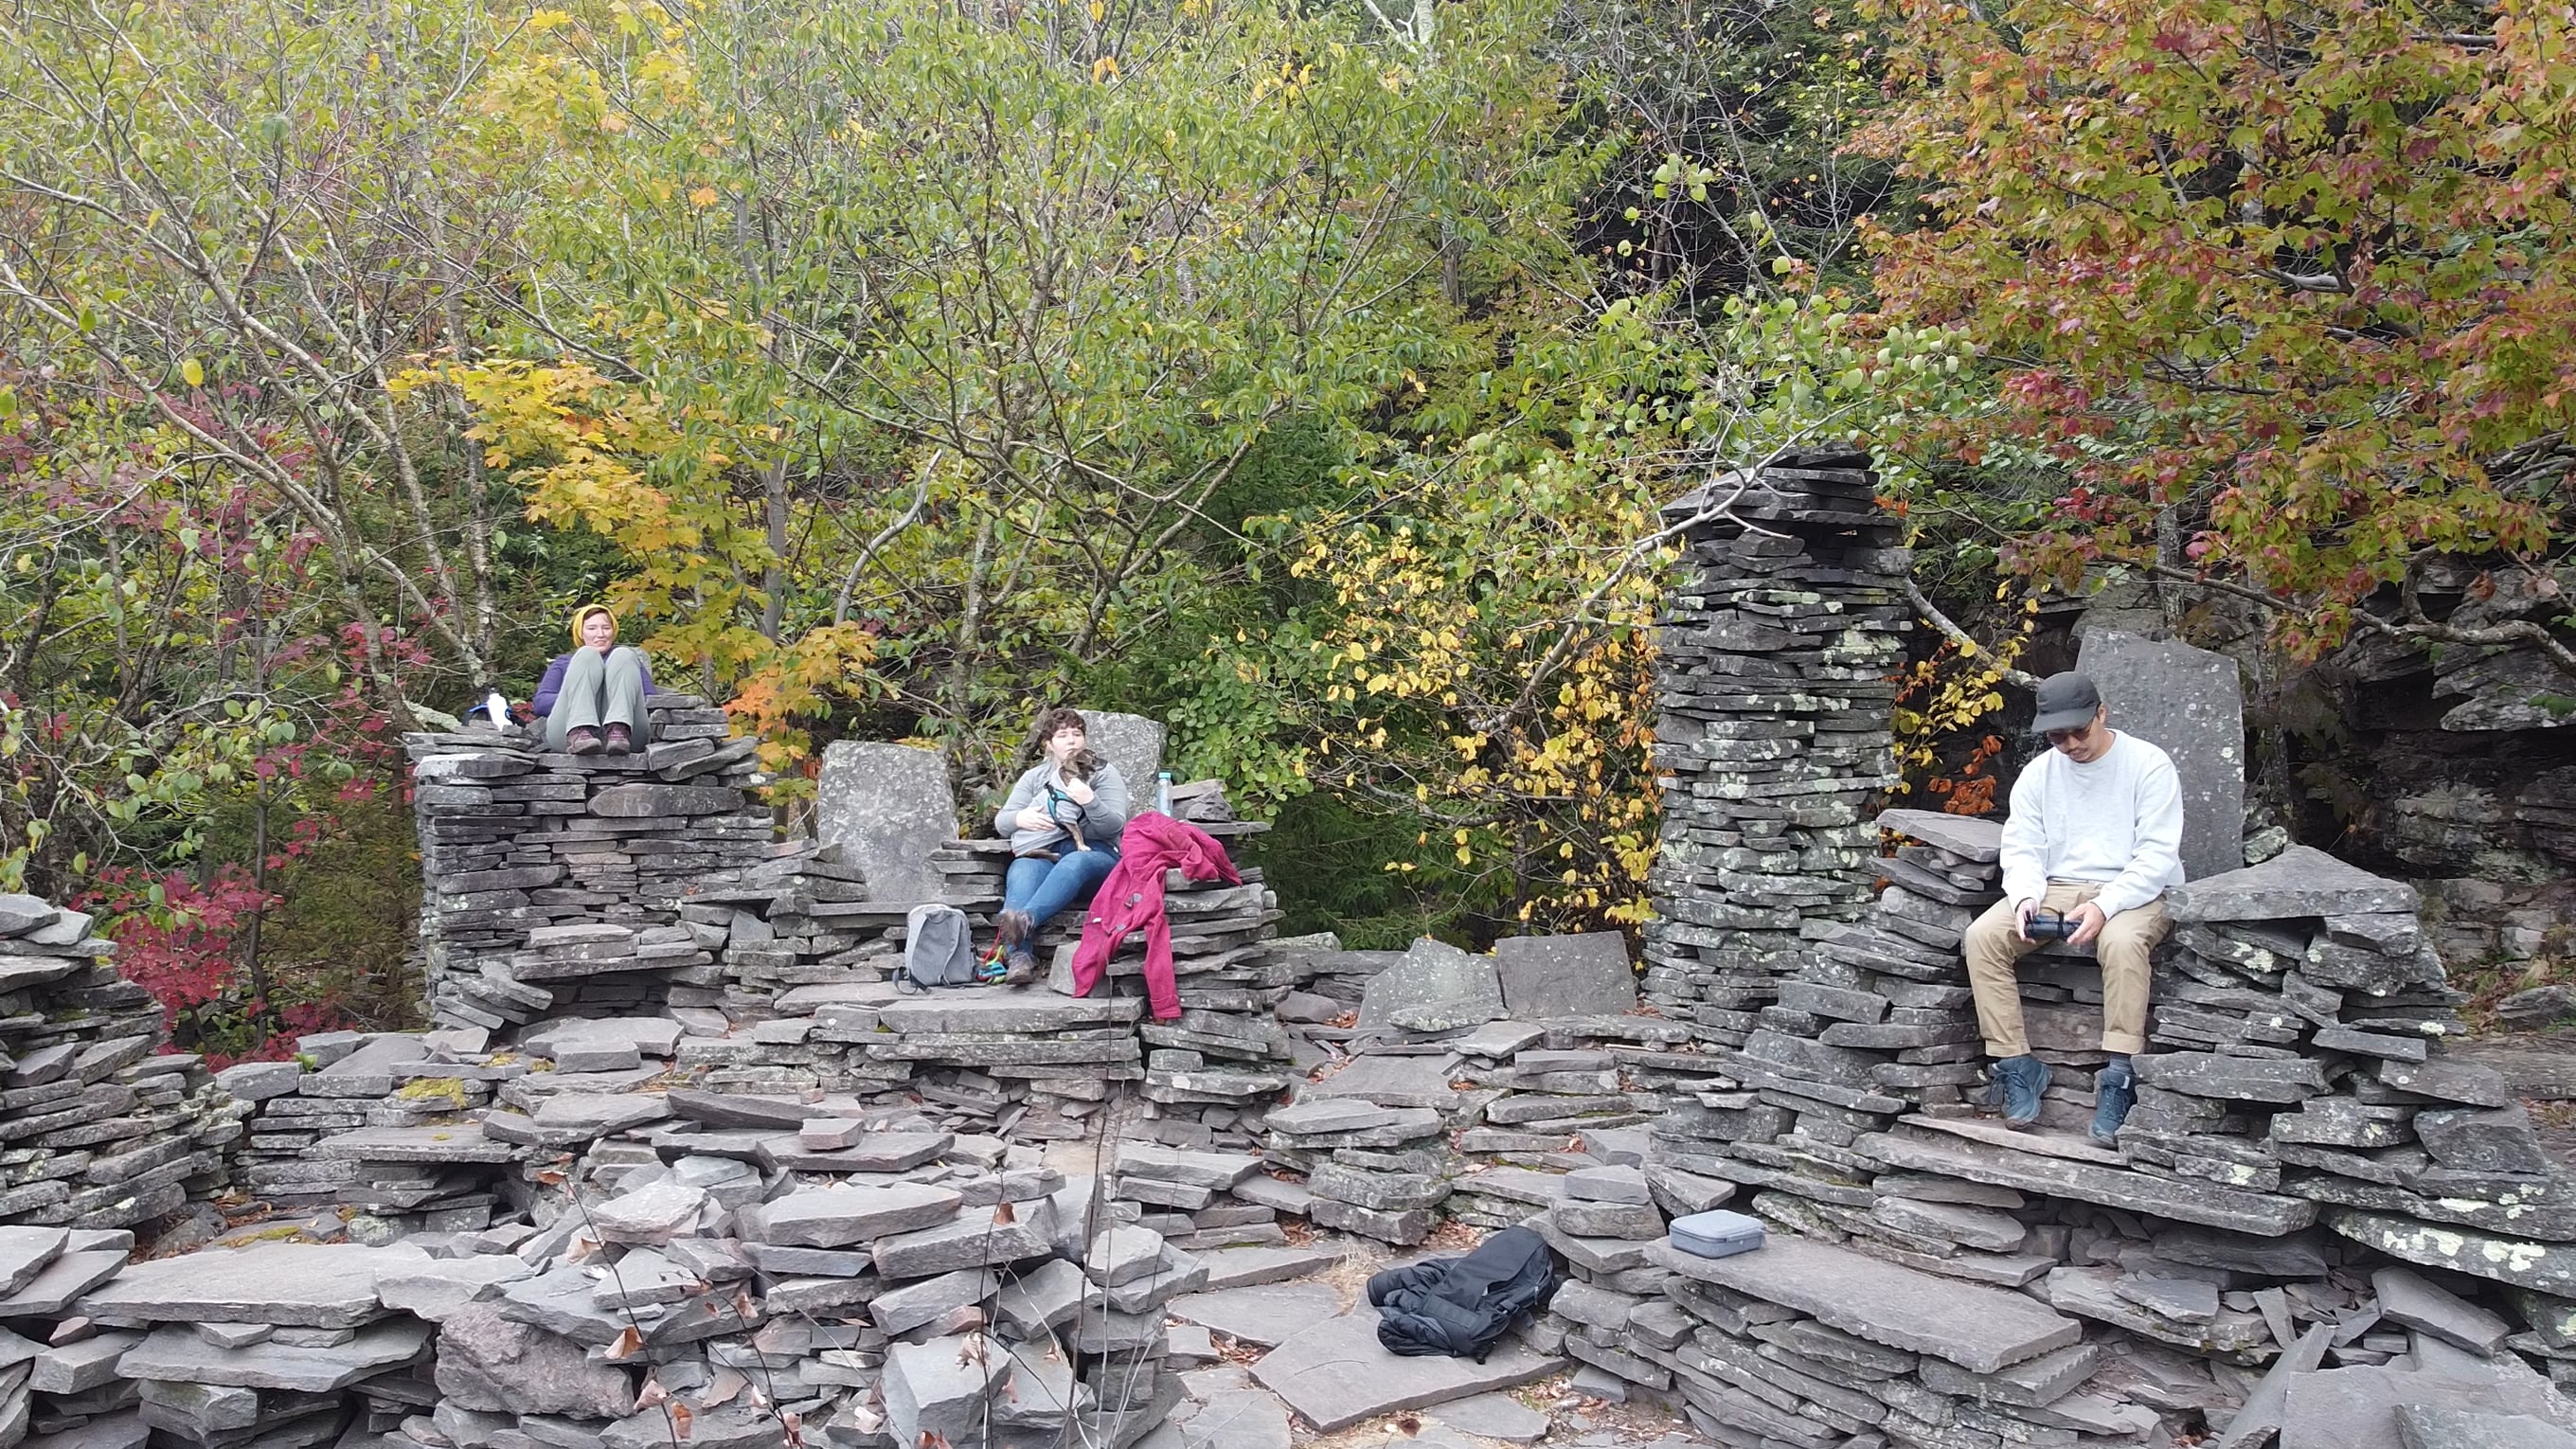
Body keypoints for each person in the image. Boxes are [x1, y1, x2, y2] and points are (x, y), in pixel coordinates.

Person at [1962, 670, 2184, 1146]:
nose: (2070, 745)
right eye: (2057, 736)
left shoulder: (2148, 764)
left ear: (2102, 714)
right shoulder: (2039, 773)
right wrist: (2025, 896)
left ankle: (2120, 1073)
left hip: (2136, 888)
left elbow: (2156, 856)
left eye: (2078, 731)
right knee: (1983, 937)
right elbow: (2022, 846)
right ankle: (2016, 1063)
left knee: (2122, 942)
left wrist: (2105, 905)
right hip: (2057, 886)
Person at [991, 707, 1132, 984]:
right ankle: (1020, 958)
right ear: (1048, 744)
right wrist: (1020, 817)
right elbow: (1002, 822)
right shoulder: (1035, 777)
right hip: (1045, 851)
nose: (1071, 741)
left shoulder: (1103, 772)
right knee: (1022, 869)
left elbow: (1114, 825)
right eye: (1063, 735)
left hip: (1095, 854)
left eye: (1077, 734)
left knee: (1075, 861)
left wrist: (1090, 801)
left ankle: (1025, 921)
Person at [533, 604, 655, 756]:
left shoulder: (627, 661)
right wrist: (582, 697)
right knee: (587, 655)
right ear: (580, 632)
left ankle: (618, 729)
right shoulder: (564, 663)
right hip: (567, 736)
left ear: (613, 631)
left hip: (628, 739)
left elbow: (652, 702)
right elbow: (540, 703)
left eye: (606, 628)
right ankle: (581, 730)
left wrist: (615, 697)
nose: (600, 634)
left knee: (623, 654)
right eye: (592, 628)